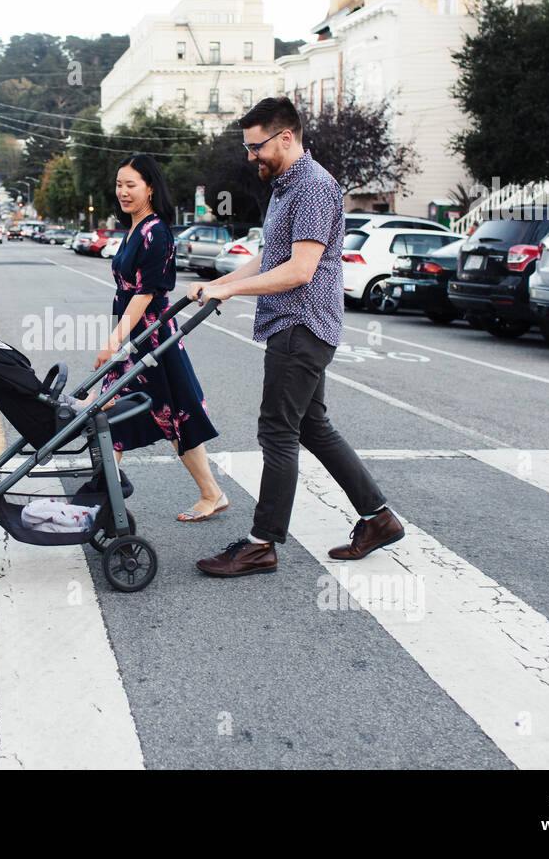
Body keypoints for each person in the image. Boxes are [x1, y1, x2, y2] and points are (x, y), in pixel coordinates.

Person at [188, 96, 404, 576]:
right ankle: (379, 518)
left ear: (285, 137)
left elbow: (300, 270)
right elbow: (271, 258)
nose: (251, 157)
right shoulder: (286, 186)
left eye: (256, 146)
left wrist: (232, 289)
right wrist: (218, 286)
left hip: (300, 325)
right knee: (311, 426)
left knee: (277, 432)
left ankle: (261, 544)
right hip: (298, 324)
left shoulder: (312, 187)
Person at [94, 153, 228, 522]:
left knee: (155, 413)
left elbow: (146, 293)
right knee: (141, 413)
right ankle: (209, 492)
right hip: (136, 336)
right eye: (119, 184)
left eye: (131, 185)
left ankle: (100, 500)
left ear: (150, 188)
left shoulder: (157, 232)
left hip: (149, 339)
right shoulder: (135, 228)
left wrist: (114, 341)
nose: (122, 191)